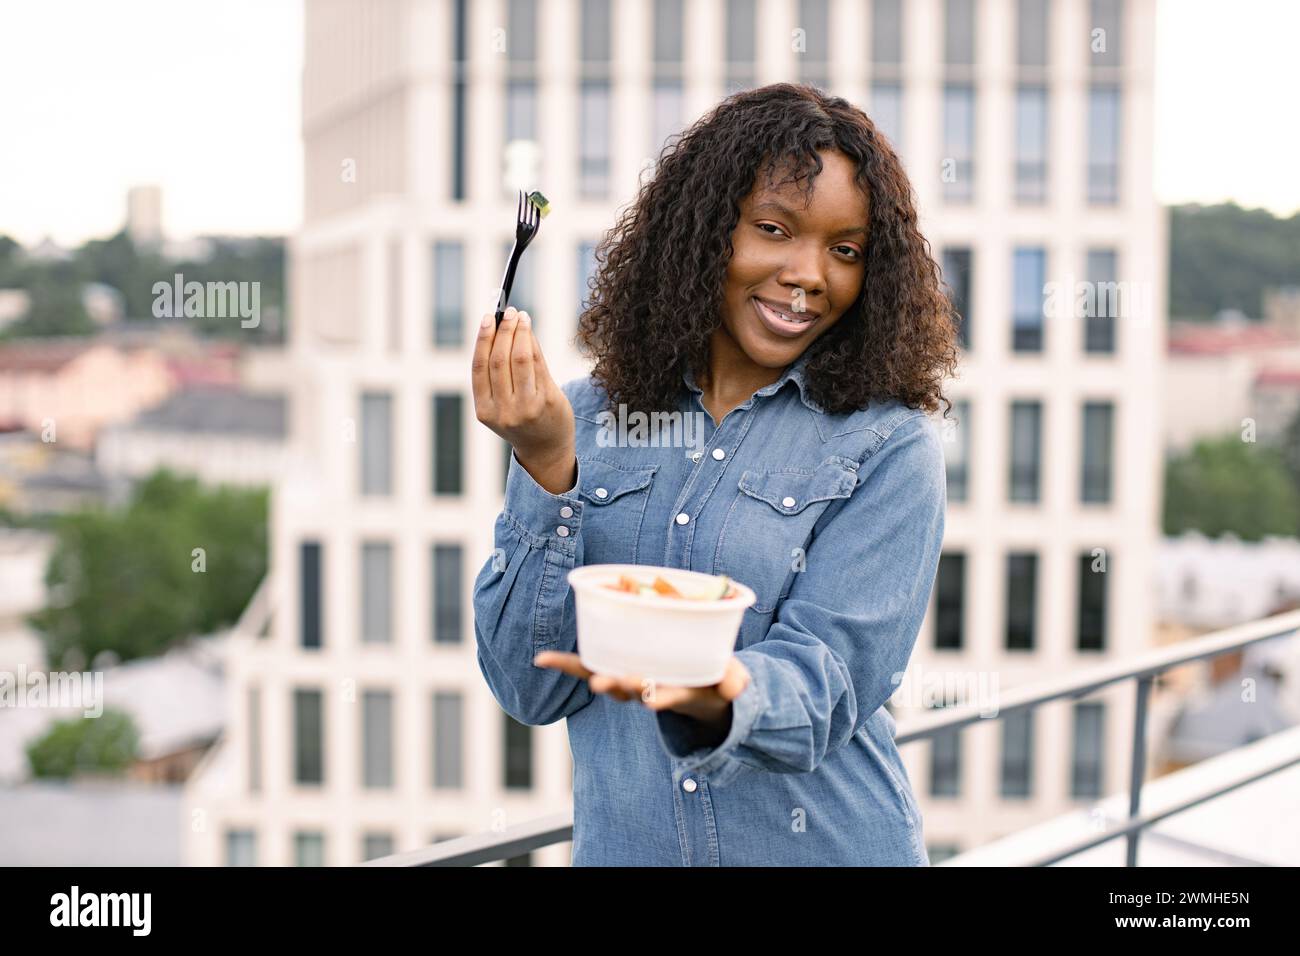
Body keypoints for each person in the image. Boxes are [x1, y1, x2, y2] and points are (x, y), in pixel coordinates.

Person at [471, 83, 958, 866]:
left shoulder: (889, 446)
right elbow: (529, 688)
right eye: (774, 230)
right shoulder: (586, 419)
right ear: (701, 232)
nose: (808, 275)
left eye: (845, 250)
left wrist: (718, 695)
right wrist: (544, 464)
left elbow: (828, 681)